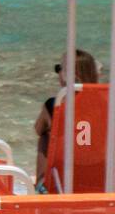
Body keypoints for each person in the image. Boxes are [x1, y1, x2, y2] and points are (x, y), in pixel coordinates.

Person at [35, 50, 99, 185]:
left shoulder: (54, 105)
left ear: (66, 76)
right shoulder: (106, 105)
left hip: (63, 180)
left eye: (59, 69)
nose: (57, 72)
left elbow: (38, 129)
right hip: (99, 178)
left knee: (44, 137)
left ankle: (41, 183)